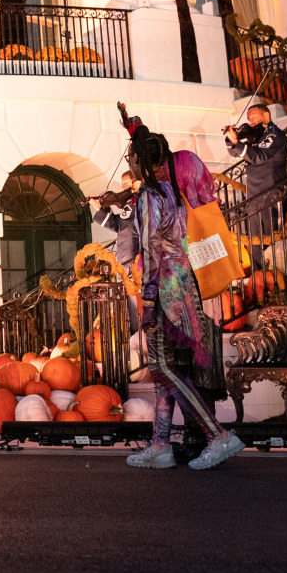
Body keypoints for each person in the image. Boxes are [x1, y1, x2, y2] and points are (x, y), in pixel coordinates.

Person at [108, 128, 242, 471]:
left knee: (162, 367)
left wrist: (148, 299)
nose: (128, 163)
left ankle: (217, 436)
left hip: (165, 289)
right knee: (167, 368)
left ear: (140, 161)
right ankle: (160, 444)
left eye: (130, 158)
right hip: (184, 286)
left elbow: (151, 250)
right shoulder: (172, 190)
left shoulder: (150, 194)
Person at [223, 102, 287, 265]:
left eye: (254, 117)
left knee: (271, 235)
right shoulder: (256, 135)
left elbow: (258, 156)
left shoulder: (274, 135)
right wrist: (231, 139)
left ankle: (274, 270)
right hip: (254, 193)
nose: (250, 121)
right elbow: (235, 152)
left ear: (266, 115)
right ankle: (259, 272)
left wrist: (238, 143)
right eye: (248, 118)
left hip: (271, 191)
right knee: (256, 238)